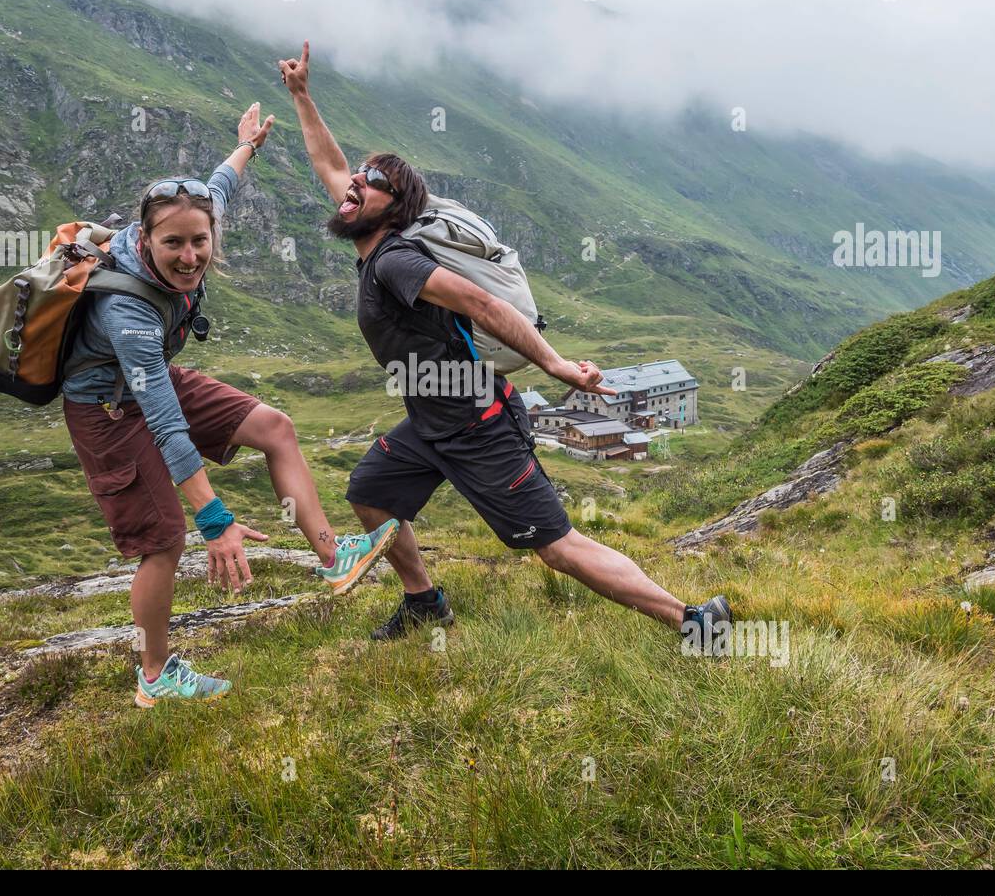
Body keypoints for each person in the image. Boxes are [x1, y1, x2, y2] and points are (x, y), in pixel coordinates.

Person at [278, 44, 731, 641]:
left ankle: (695, 621)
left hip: (477, 425)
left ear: (395, 207)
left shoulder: (395, 261)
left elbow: (484, 304)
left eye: (373, 181)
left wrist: (560, 368)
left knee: (558, 548)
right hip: (431, 420)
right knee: (371, 492)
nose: (355, 183)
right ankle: (424, 603)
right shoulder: (370, 231)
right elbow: (331, 168)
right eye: (359, 178)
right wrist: (303, 97)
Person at [62, 102, 398, 705]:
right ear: (146, 238)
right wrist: (215, 522)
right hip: (107, 409)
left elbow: (220, 182)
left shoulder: (202, 214)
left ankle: (333, 560)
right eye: (173, 244)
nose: (190, 256)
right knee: (162, 542)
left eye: (199, 240)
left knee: (274, 427)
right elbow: (165, 426)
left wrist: (247, 145)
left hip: (149, 378)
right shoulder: (128, 312)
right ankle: (156, 675)